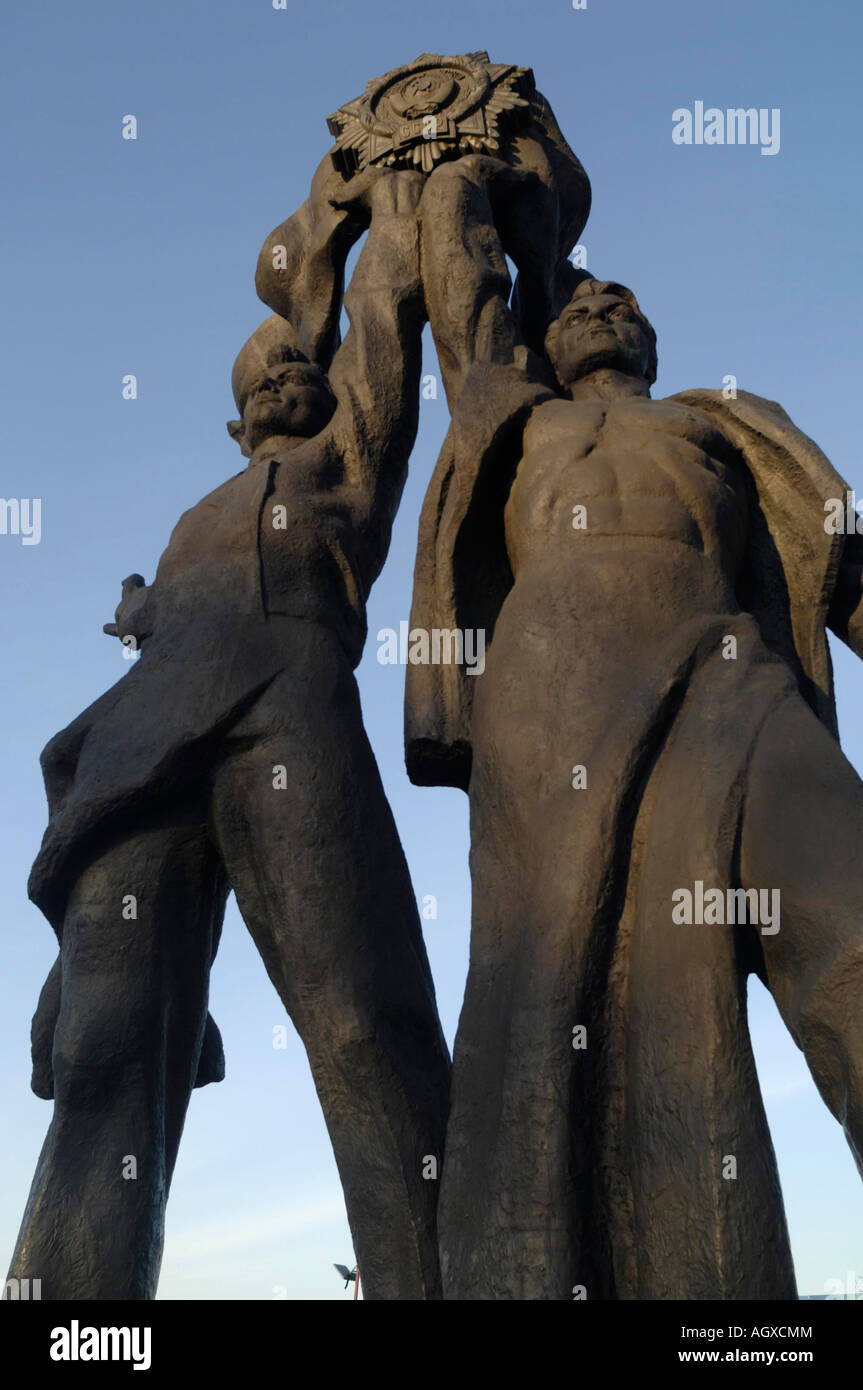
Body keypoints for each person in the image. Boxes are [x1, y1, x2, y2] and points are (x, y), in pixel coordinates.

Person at [407, 153, 863, 1299]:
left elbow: (835, 554)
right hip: (550, 688)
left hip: (727, 671)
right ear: (544, 334)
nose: (603, 308)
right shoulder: (513, 420)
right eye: (583, 301)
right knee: (548, 998)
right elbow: (462, 292)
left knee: (846, 923)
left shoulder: (721, 423)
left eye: (626, 304)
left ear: (653, 344)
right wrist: (460, 164)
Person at [8, 171, 450, 1302]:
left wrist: (380, 207)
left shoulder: (346, 460)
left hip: (289, 718)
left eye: (298, 365)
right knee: (108, 1056)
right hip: (142, 752)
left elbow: (372, 329)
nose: (285, 374)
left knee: (363, 1025)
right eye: (261, 376)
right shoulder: (185, 520)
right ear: (231, 417)